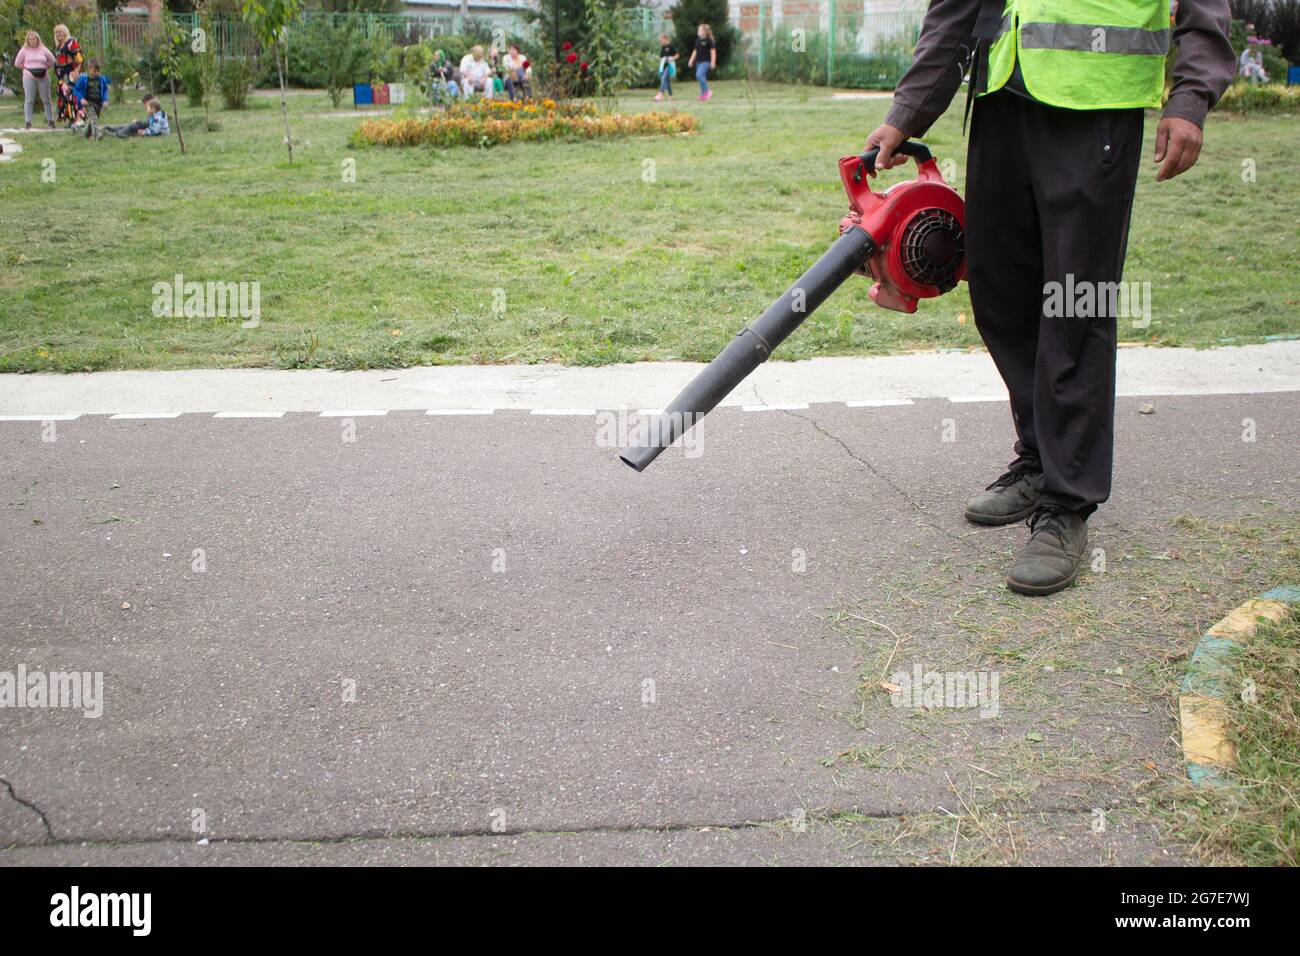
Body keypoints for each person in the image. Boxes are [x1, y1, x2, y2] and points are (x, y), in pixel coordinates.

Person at [864, 0, 1235, 595]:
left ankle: (1067, 504)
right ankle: (1039, 458)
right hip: (1001, 95)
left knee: (1074, 304)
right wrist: (908, 111)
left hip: (1096, 103)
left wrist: (1190, 95)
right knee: (998, 290)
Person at [14, 31, 56, 130]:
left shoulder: (43, 49)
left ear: (37, 39)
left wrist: (47, 66)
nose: (32, 41)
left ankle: (50, 120)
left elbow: (53, 60)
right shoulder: (24, 50)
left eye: (34, 39)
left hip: (43, 76)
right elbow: (17, 63)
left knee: (46, 99)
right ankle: (28, 122)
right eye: (30, 39)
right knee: (29, 99)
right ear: (27, 40)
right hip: (29, 76)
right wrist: (26, 68)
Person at [96, 94, 169, 139]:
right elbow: (151, 125)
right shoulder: (156, 114)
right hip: (153, 130)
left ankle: (116, 133)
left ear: (153, 108)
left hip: (158, 133)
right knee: (132, 125)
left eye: (147, 106)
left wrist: (144, 132)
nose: (146, 108)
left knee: (132, 126)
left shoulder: (157, 117)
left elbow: (155, 130)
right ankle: (110, 129)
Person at [52, 23, 83, 129]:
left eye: (60, 31)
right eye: (56, 32)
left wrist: (76, 71)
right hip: (62, 78)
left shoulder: (71, 43)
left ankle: (77, 119)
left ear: (65, 32)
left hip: (70, 74)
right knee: (64, 98)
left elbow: (78, 57)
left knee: (71, 97)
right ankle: (70, 120)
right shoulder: (58, 46)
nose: (58, 34)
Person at [73, 59, 110, 138]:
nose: (96, 73)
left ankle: (81, 131)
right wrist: (81, 99)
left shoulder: (101, 79)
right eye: (94, 71)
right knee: (93, 117)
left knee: (93, 120)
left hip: (98, 104)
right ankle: (97, 134)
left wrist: (105, 100)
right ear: (89, 69)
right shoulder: (84, 78)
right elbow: (75, 89)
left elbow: (106, 89)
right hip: (88, 103)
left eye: (98, 71)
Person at [686, 23, 716, 101]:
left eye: (700, 30)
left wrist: (713, 62)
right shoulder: (697, 41)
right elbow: (695, 51)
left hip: (706, 62)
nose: (698, 31)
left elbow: (713, 52)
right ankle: (703, 95)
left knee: (698, 75)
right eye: (698, 30)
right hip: (698, 62)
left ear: (705, 32)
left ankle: (707, 91)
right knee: (702, 78)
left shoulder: (709, 41)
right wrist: (691, 61)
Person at [655, 33, 678, 102]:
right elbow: (661, 57)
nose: (661, 42)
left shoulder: (671, 46)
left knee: (664, 78)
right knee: (667, 81)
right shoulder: (663, 47)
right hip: (664, 67)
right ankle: (670, 96)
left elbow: (677, 55)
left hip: (670, 66)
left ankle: (661, 94)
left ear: (665, 39)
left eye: (661, 40)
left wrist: (671, 58)